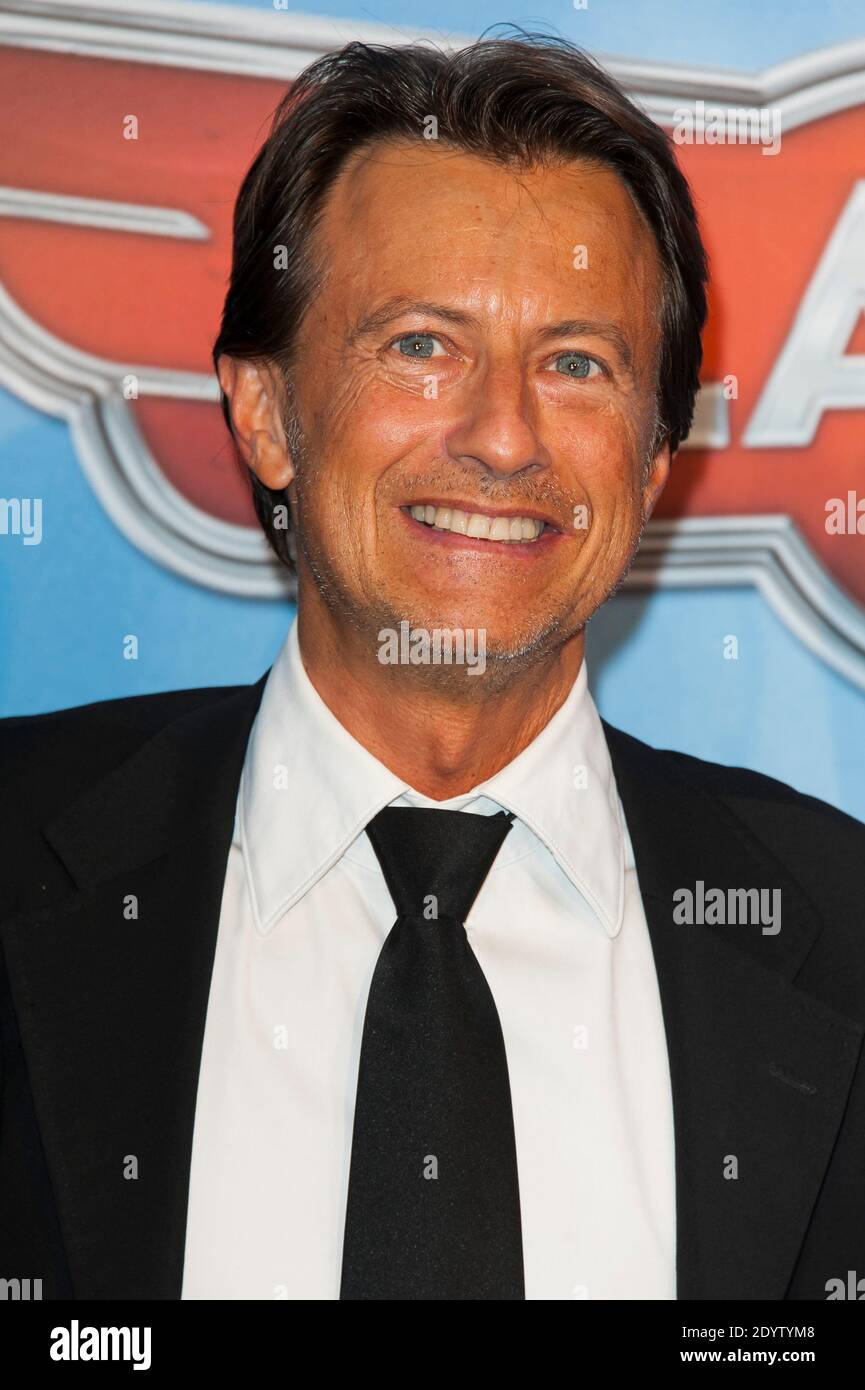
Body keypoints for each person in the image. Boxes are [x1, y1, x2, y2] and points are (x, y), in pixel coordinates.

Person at [1, 31, 863, 1302]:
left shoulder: (842, 930)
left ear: (649, 464)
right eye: (420, 344)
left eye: (576, 363)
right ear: (266, 413)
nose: (504, 436)